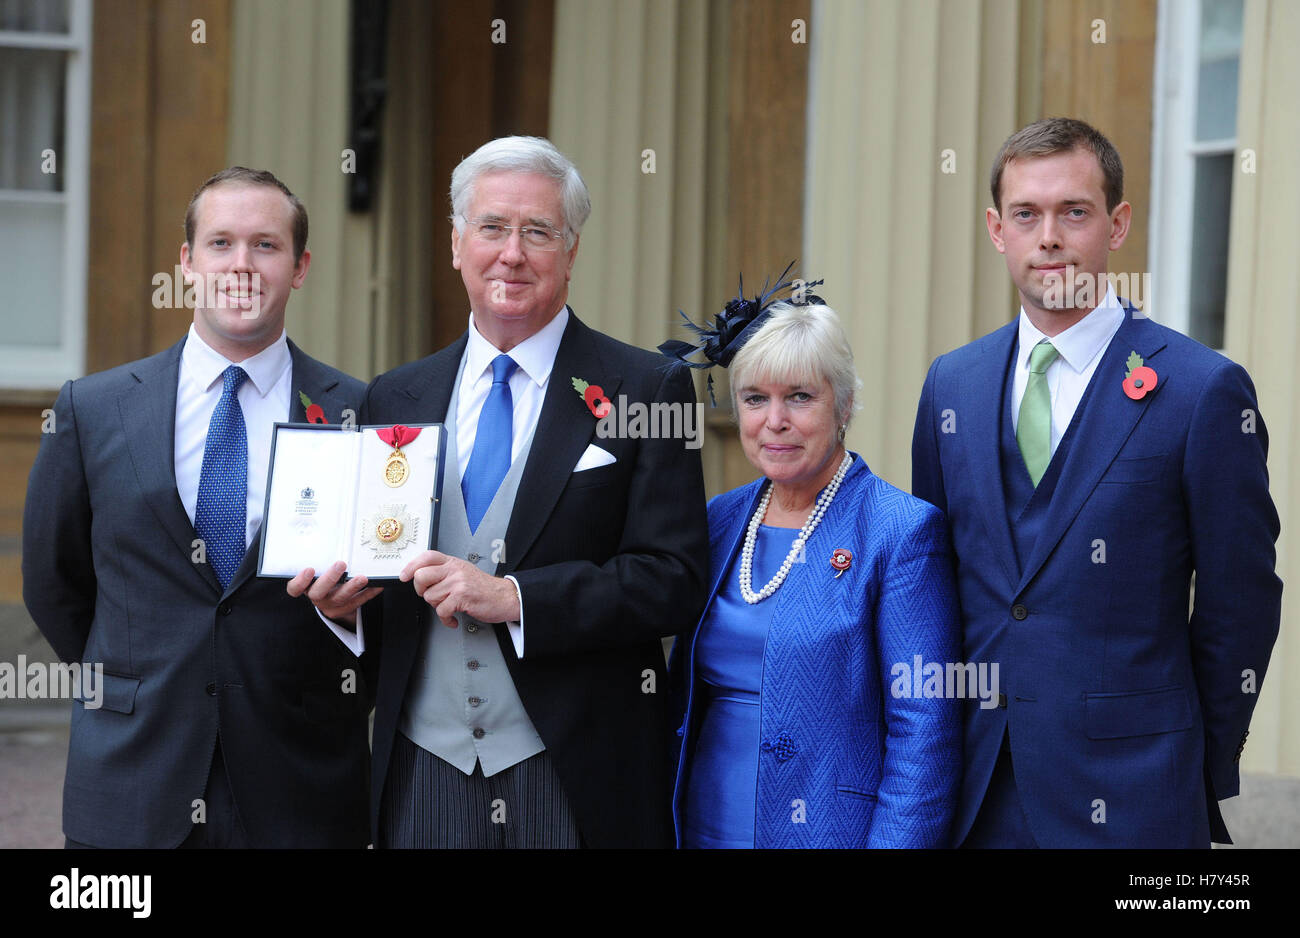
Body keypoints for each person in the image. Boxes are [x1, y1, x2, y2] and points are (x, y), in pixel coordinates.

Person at [293, 135, 710, 848]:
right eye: (491, 227)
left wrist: (515, 598)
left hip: (572, 772)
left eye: (538, 232)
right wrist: (343, 610)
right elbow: (383, 571)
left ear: (571, 252)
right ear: (456, 243)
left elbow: (671, 581)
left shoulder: (646, 388)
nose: (511, 253)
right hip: (423, 770)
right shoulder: (398, 394)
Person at [911, 117, 1282, 847]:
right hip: (975, 795)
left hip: (1139, 796)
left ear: (1117, 224)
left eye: (1073, 212)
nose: (1048, 237)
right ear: (997, 229)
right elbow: (930, 583)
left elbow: (1241, 600)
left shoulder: (1202, 391)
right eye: (1027, 214)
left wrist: (1190, 761)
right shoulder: (952, 385)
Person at [22, 167, 371, 848]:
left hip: (297, 788)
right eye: (220, 244)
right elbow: (51, 584)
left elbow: (388, 591)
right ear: (186, 263)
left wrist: (350, 618)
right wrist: (128, 679)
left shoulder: (359, 413)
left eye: (266, 246)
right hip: (132, 780)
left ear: (299, 268)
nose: (242, 265)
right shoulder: (92, 410)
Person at [664, 288, 961, 848]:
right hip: (703, 819)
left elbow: (926, 732)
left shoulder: (899, 531)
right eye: (754, 399)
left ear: (843, 405)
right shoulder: (719, 520)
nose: (775, 421)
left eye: (799, 397)